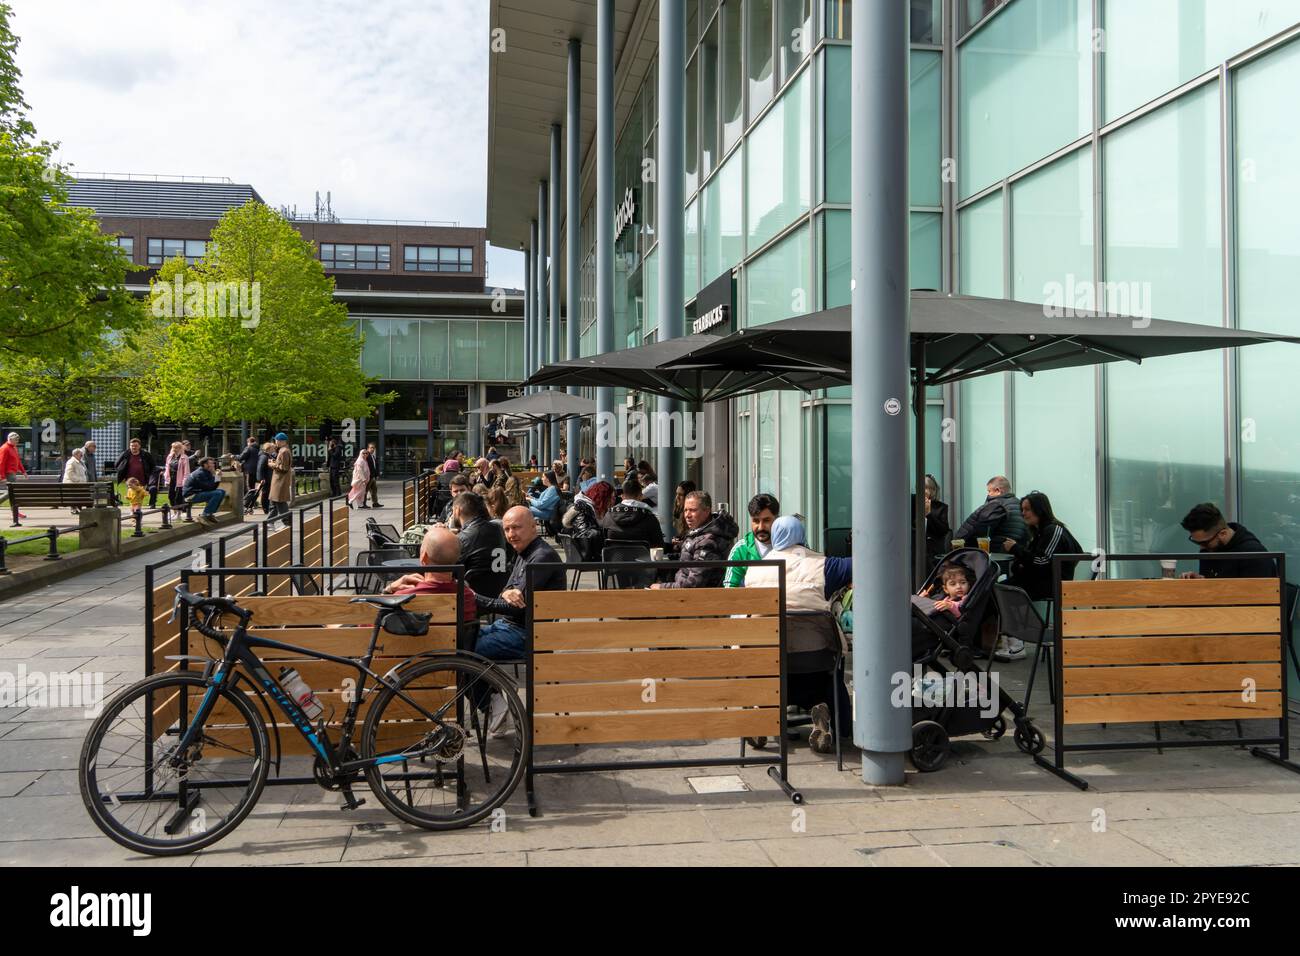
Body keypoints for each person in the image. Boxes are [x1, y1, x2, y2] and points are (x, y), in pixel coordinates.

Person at [745, 516, 853, 752]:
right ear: (802, 536)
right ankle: (824, 711)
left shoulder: (755, 570)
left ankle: (761, 711)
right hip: (815, 659)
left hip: (769, 659)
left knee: (774, 663)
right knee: (827, 668)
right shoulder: (825, 566)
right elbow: (862, 562)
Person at [472, 506, 566, 732]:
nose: (511, 534)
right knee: (458, 640)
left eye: (516, 527)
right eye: (507, 529)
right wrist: (505, 592)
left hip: (529, 634)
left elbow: (514, 609)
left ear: (534, 526)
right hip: (512, 627)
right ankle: (496, 695)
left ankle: (493, 701)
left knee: (466, 649)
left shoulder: (541, 558)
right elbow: (507, 591)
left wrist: (474, 598)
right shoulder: (525, 552)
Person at [1004, 491, 1082, 603]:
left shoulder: (1053, 530)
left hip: (1048, 586)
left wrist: (1015, 548)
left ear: (1039, 510)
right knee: (991, 591)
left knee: (994, 593)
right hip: (1034, 583)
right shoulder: (1040, 533)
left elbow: (1041, 561)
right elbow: (1029, 561)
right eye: (1022, 510)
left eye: (1027, 509)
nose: (1023, 513)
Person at [652, 491, 738, 590]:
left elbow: (694, 584)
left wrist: (662, 587)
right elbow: (688, 558)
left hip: (699, 599)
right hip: (684, 593)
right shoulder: (699, 531)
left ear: (707, 511)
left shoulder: (709, 541)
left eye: (692, 510)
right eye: (685, 510)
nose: (687, 515)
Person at [1179, 502, 1275, 579]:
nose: (1201, 547)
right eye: (1196, 542)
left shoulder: (1254, 555)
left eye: (1205, 542)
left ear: (1223, 533)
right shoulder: (1210, 549)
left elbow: (1255, 598)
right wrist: (1200, 582)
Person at [452, 491, 510, 597]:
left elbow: (450, 568)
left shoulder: (462, 538)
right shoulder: (498, 529)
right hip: (498, 590)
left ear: (457, 510)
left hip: (470, 596)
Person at [950, 475, 1027, 549]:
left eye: (989, 491)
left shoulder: (997, 504)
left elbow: (980, 528)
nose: (988, 494)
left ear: (998, 490)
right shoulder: (1019, 504)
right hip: (1013, 551)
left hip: (997, 551)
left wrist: (959, 542)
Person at [726, 493, 779, 588]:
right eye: (756, 521)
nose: (761, 527)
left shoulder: (791, 545)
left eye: (766, 520)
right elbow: (730, 588)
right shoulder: (741, 549)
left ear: (777, 519)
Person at [601, 477, 665, 548]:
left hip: (615, 558)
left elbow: (603, 540)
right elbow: (659, 545)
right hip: (643, 558)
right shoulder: (649, 517)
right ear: (640, 496)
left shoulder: (609, 515)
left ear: (623, 496)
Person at [562, 479, 614, 561]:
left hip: (578, 554)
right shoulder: (584, 509)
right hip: (585, 556)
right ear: (602, 497)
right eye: (610, 497)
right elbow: (588, 536)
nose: (612, 500)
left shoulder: (585, 506)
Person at [916, 474, 951, 570]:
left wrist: (929, 514)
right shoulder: (912, 502)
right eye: (926, 488)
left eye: (933, 489)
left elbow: (943, 530)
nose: (929, 492)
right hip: (916, 550)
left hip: (934, 552)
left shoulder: (941, 507)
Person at [182, 457, 227, 525]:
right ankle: (204, 515)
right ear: (205, 465)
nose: (213, 465)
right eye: (211, 463)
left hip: (199, 492)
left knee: (222, 492)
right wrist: (216, 476)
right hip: (191, 495)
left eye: (213, 463)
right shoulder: (200, 474)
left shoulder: (206, 472)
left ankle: (209, 514)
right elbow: (209, 487)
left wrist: (217, 477)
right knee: (217, 493)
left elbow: (213, 487)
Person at [267, 432, 293, 527]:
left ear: (281, 441)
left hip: (280, 480)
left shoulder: (284, 451)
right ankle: (270, 522)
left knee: (280, 502)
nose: (275, 442)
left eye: (276, 440)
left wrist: (272, 464)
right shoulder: (283, 450)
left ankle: (286, 522)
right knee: (274, 501)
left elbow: (284, 468)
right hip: (278, 480)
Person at [255, 441, 274, 515]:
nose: (273, 449)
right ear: (268, 449)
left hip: (268, 477)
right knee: (265, 493)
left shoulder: (268, 456)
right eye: (272, 448)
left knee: (267, 493)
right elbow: (260, 468)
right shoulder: (264, 456)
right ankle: (265, 508)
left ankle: (267, 507)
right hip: (266, 478)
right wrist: (261, 478)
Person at [364, 443, 381, 507]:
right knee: (365, 490)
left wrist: (377, 474)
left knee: (374, 490)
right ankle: (363, 504)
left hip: (373, 476)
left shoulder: (372, 456)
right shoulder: (366, 456)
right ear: (368, 448)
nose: (372, 449)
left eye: (373, 448)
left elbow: (375, 466)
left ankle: (375, 503)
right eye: (371, 447)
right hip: (368, 476)